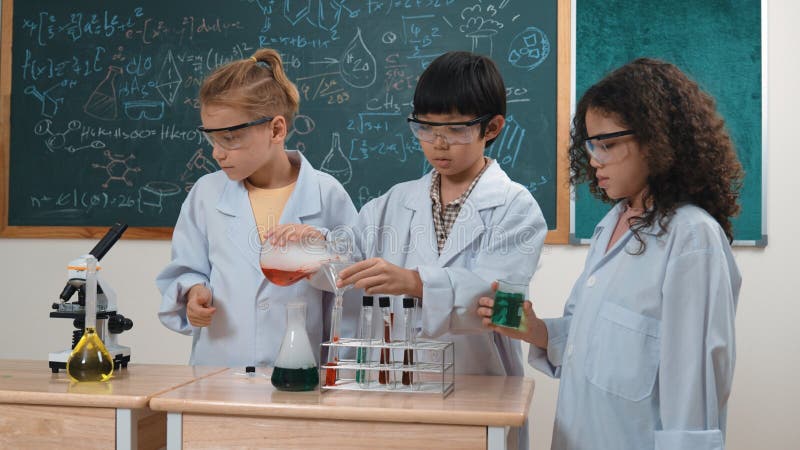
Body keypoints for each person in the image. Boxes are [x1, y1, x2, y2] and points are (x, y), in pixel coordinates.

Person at [477, 58, 743, 450]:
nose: (594, 159)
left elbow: (693, 387)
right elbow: (594, 344)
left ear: (658, 141)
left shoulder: (691, 238)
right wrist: (533, 329)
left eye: (608, 144)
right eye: (590, 144)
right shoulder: (611, 225)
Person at [338, 51, 548, 450]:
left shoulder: (516, 208)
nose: (437, 143)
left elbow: (503, 307)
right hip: (397, 394)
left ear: (493, 127)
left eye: (455, 129)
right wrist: (311, 249)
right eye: (425, 128)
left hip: (480, 392)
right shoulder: (392, 203)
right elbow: (345, 259)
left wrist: (417, 282)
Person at [156, 48, 358, 367]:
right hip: (218, 371)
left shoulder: (326, 193)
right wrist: (194, 293)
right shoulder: (206, 194)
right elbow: (187, 268)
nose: (217, 154)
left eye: (230, 138)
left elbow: (350, 288)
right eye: (212, 139)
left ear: (276, 130)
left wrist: (318, 251)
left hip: (298, 373)